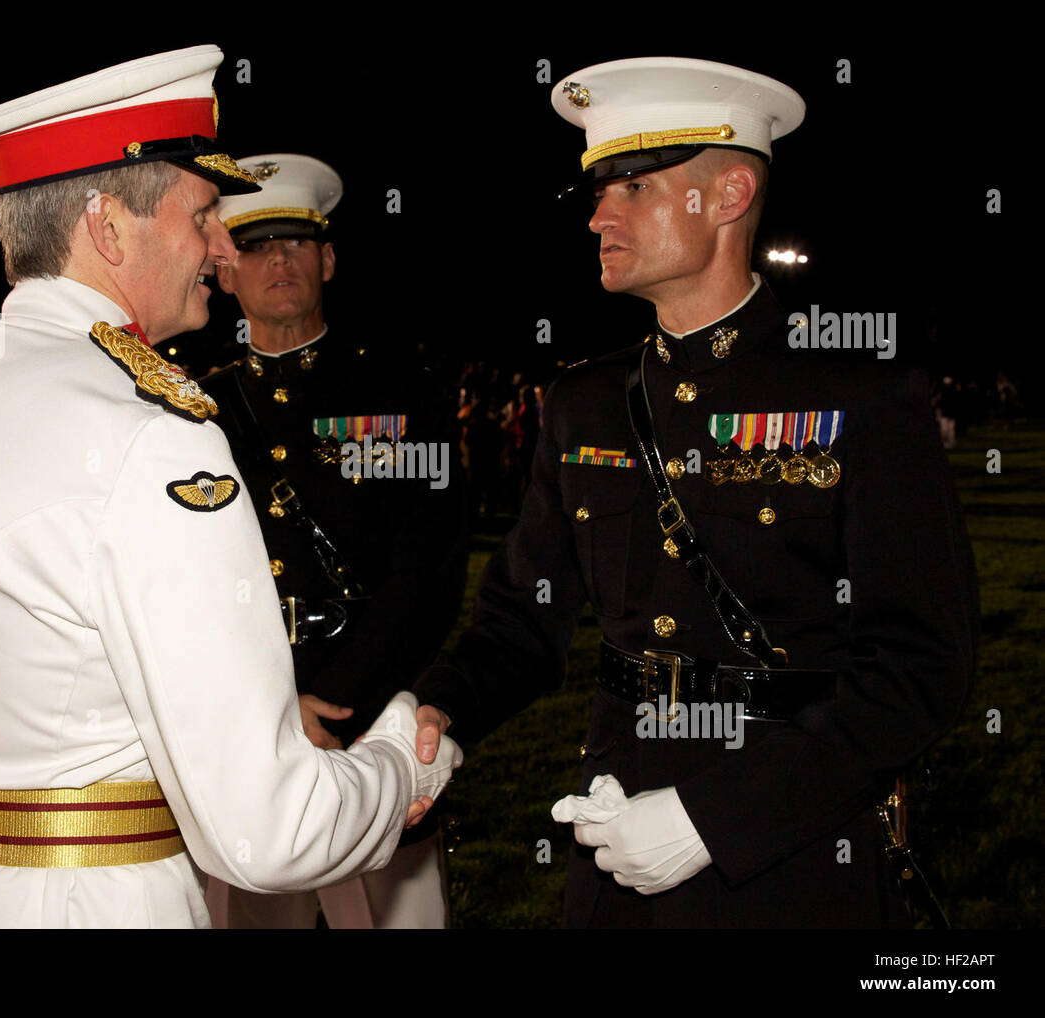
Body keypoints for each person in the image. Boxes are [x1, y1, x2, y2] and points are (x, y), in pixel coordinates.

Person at [0, 45, 461, 930]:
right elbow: (268, 829)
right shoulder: (155, 435)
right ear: (108, 226)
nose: (221, 247)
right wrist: (402, 762)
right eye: (204, 215)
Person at [411, 57, 977, 928]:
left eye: (632, 187)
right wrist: (438, 707)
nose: (599, 214)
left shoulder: (862, 397)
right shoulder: (583, 403)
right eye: (598, 192)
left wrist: (715, 818)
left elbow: (917, 668)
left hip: (794, 847)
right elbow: (522, 620)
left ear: (728, 195)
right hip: (615, 828)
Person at [200, 154, 467, 928]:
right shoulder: (192, 411)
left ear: (328, 258)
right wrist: (265, 709)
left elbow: (432, 571)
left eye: (296, 241)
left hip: (374, 722)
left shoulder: (400, 394)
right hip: (250, 730)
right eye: (254, 245)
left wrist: (342, 708)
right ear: (223, 269)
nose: (278, 259)